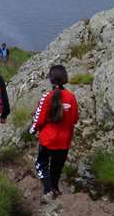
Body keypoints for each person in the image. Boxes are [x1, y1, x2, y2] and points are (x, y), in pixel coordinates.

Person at [28, 64, 79, 200]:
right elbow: (74, 119)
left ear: (50, 79)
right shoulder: (71, 97)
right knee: (57, 166)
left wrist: (32, 130)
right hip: (64, 141)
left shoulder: (47, 97)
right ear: (65, 78)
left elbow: (38, 120)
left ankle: (48, 190)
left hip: (48, 139)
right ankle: (55, 188)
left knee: (41, 164)